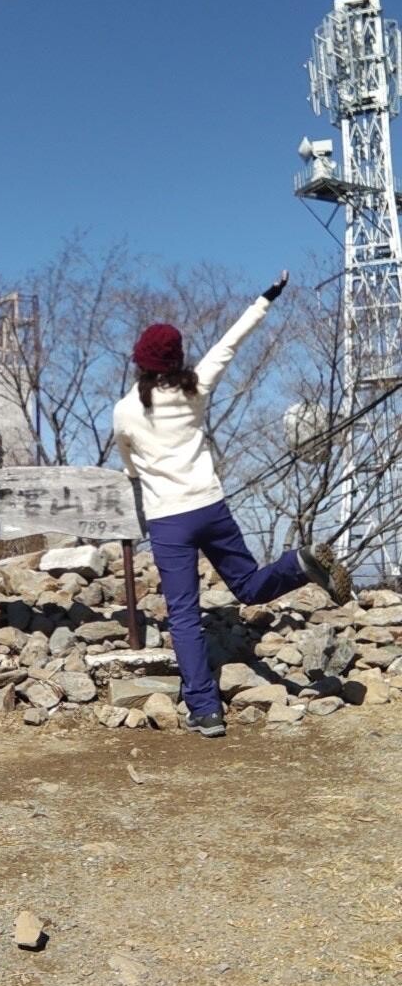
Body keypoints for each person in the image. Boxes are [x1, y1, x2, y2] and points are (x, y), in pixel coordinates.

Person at [113, 270, 352, 739]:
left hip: (169, 521)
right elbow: (229, 343)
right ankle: (298, 564)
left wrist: (136, 475)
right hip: (211, 508)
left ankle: (206, 711)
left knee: (185, 615)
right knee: (247, 586)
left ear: (140, 362)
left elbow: (129, 461)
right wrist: (267, 297)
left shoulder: (125, 410)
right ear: (177, 359)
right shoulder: (195, 388)